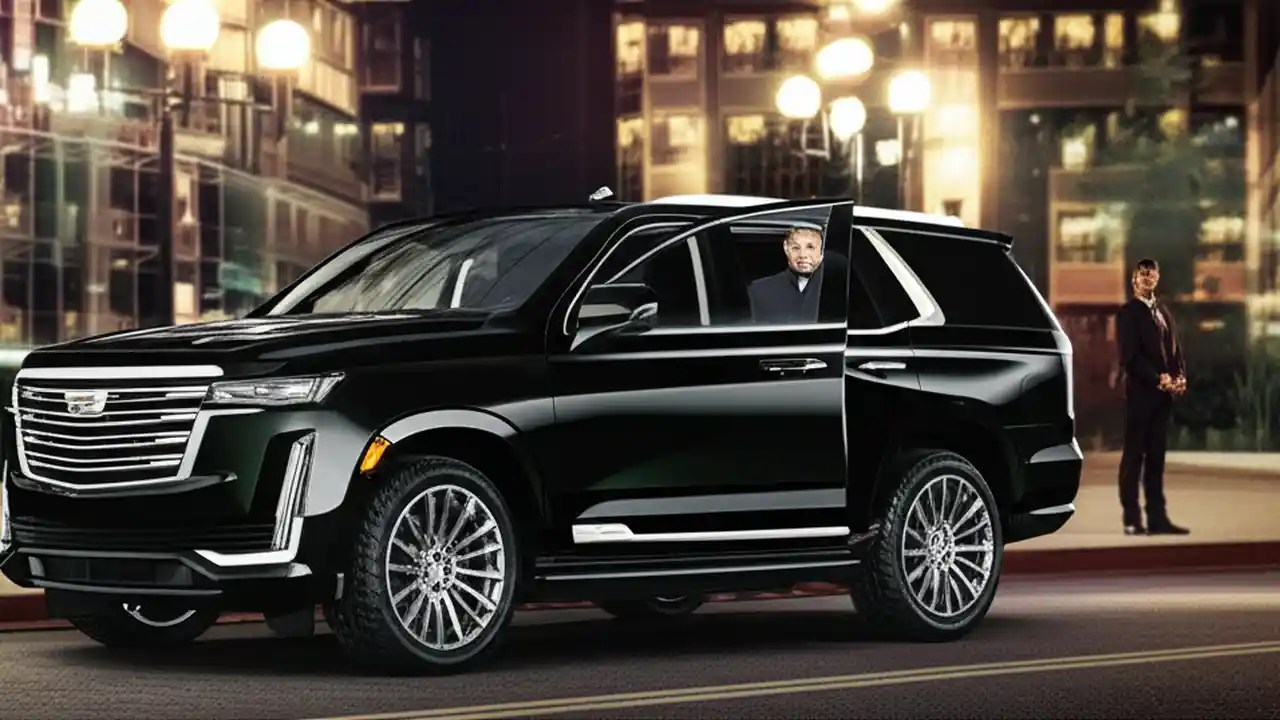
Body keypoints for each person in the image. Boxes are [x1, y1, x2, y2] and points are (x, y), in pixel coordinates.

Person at [1115, 257, 1190, 536]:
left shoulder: (1163, 313)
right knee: (1134, 456)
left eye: (1152, 273)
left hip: (1162, 399)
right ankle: (1132, 519)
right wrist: (1157, 377)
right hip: (1140, 396)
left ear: (1158, 277)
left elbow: (1175, 349)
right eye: (1142, 274)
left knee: (1157, 458)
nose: (1147, 278)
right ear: (1134, 279)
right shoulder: (1128, 313)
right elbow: (1129, 358)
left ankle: (1158, 518)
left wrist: (1180, 375)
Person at [747, 226, 826, 324]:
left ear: (822, 252)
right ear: (786, 248)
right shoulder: (759, 290)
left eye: (810, 247)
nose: (802, 255)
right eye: (796, 248)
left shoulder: (838, 290)